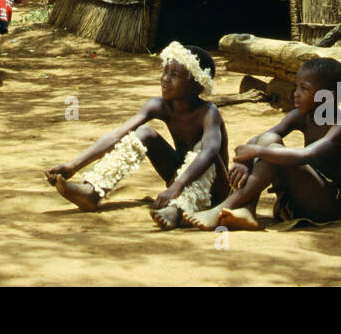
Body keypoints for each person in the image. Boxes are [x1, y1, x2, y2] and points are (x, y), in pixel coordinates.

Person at [44, 42, 230, 230]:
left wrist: (175, 188)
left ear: (196, 85)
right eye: (165, 72)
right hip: (179, 181)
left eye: (174, 75)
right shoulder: (159, 105)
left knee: (203, 148)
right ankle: (93, 191)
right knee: (143, 133)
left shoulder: (209, 112)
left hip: (213, 189)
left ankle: (178, 210)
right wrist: (73, 166)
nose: (165, 79)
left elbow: (210, 152)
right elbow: (117, 134)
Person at [185, 57, 341, 231]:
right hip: (301, 197)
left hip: (328, 205)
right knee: (269, 142)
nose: (295, 93)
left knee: (271, 151)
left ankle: (222, 208)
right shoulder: (302, 115)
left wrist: (257, 152)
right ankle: (248, 209)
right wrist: (244, 162)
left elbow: (306, 155)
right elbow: (262, 138)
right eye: (296, 86)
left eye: (304, 88)